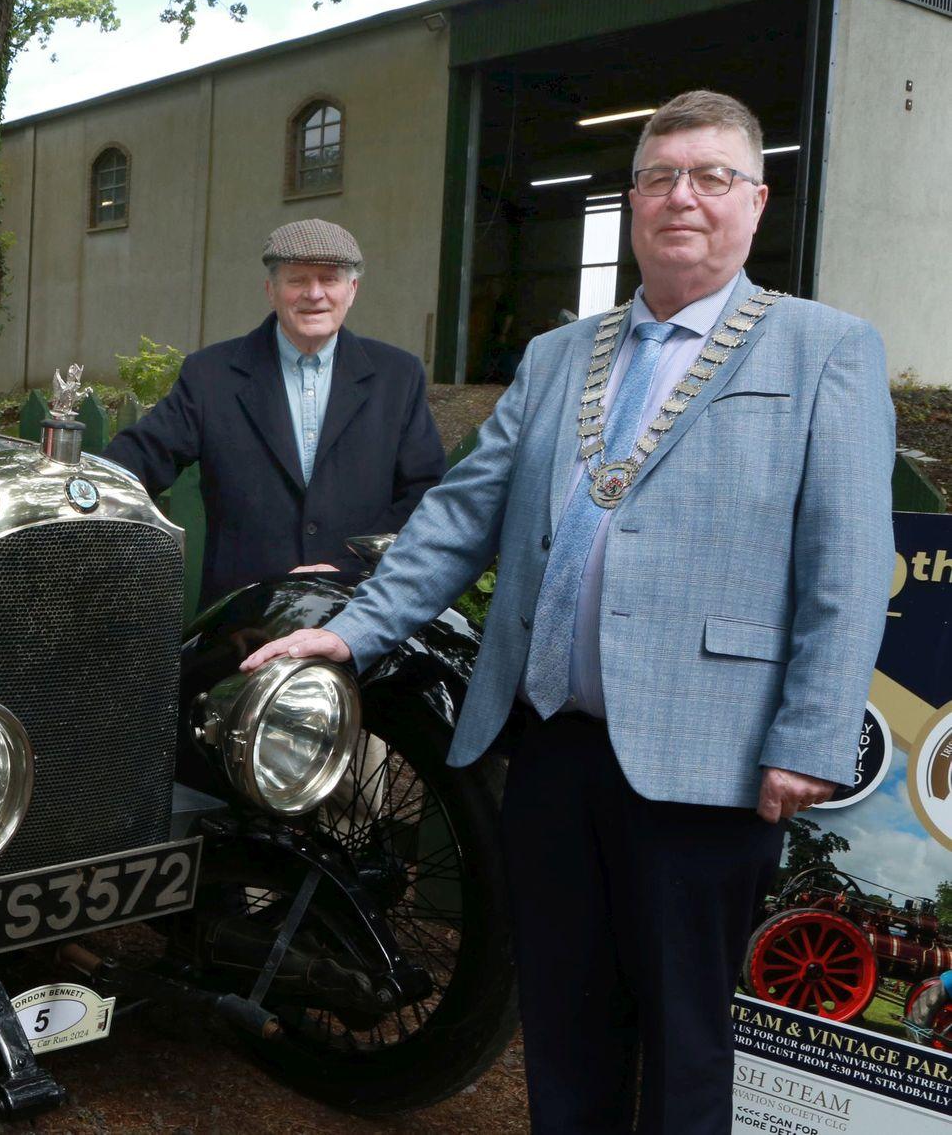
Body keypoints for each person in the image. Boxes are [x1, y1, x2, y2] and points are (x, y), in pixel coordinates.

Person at [243, 90, 893, 1132]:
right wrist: (353, 627)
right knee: (562, 1020)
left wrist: (809, 732)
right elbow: (461, 514)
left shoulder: (824, 349)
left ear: (755, 202)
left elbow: (847, 561)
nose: (681, 196)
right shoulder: (558, 357)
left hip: (709, 754)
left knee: (684, 1038)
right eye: (657, 176)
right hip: (547, 746)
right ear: (632, 199)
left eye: (710, 176)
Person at [102, 219, 444, 606]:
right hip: (243, 619)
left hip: (360, 606)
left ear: (352, 290)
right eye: (297, 280)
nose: (314, 294)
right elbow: (138, 461)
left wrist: (349, 565)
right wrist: (76, 488)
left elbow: (425, 493)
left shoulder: (397, 376)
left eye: (329, 280)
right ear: (271, 290)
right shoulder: (211, 375)